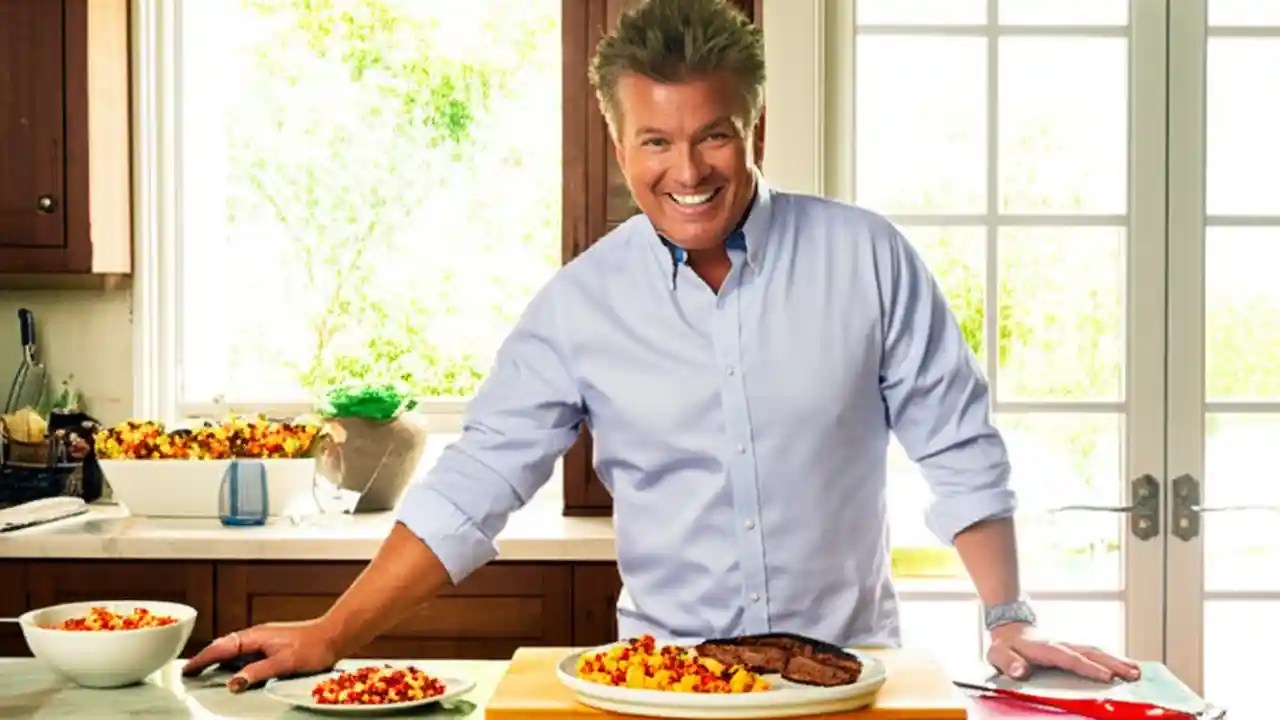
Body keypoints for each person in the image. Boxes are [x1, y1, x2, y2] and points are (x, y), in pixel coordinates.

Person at [184, 0, 1141, 691]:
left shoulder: (867, 258)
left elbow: (960, 450)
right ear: (616, 140)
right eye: (654, 142)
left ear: (752, 126)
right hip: (660, 685)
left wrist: (1009, 616)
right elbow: (476, 485)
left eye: (712, 137)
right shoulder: (580, 304)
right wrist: (332, 632)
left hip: (848, 678)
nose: (686, 171)